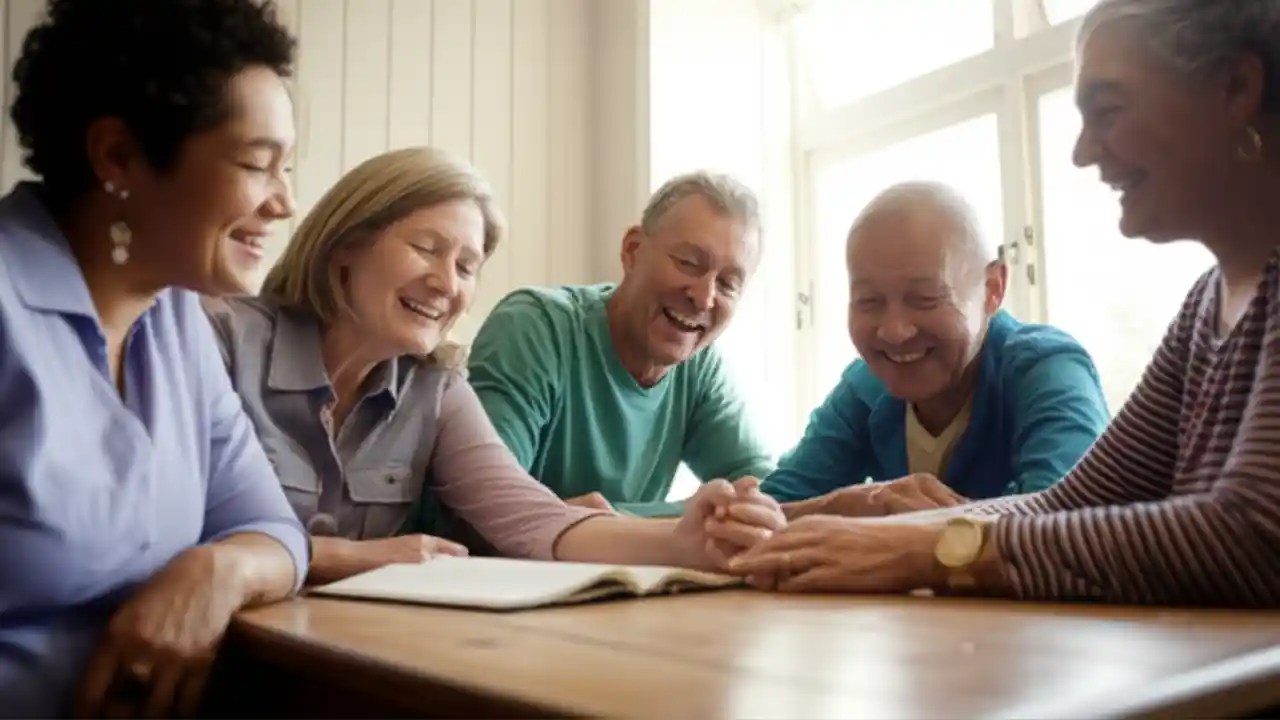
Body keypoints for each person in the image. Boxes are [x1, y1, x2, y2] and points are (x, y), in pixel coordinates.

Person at [731, 0, 1280, 608]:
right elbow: (1077, 502)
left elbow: (1254, 536)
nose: (1082, 151)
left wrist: (925, 551)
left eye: (1109, 111)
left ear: (1235, 88)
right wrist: (871, 527)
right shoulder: (1208, 305)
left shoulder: (1046, 360)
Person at [205, 147, 784, 584]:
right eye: (428, 249)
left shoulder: (437, 385)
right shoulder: (219, 337)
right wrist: (347, 556)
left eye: (467, 265)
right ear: (346, 244)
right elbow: (171, 530)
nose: (446, 283)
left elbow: (527, 516)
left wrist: (682, 544)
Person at [0, 0, 312, 716]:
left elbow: (274, 532)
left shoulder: (175, 318)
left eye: (288, 167)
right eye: (257, 165)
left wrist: (216, 569)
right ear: (117, 157)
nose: (286, 202)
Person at [762, 182, 1109, 518]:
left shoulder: (1046, 369)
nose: (894, 332)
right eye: (868, 302)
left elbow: (1067, 523)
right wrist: (845, 507)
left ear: (993, 288)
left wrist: (922, 535)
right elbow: (764, 514)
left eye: (925, 299)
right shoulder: (866, 387)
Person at [466, 172, 774, 517]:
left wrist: (611, 519)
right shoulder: (534, 328)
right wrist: (693, 515)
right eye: (688, 263)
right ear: (633, 250)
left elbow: (762, 491)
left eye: (729, 284)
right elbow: (490, 510)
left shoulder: (700, 368)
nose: (704, 298)